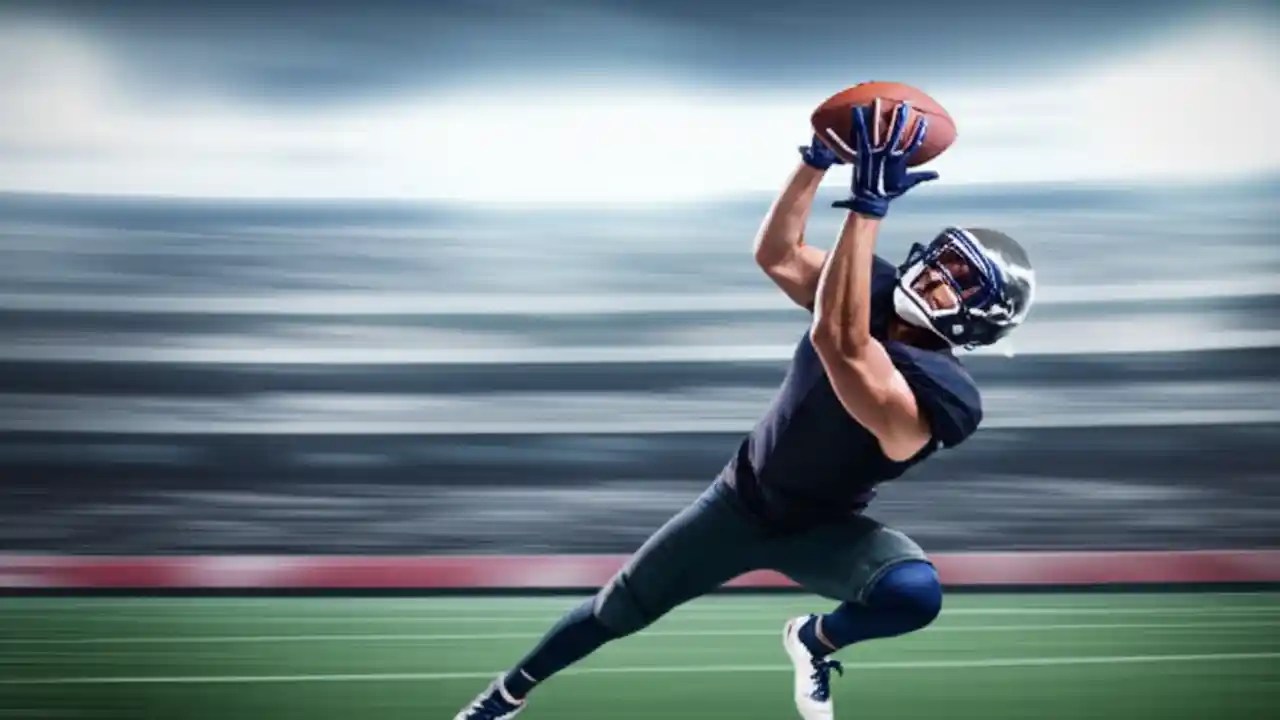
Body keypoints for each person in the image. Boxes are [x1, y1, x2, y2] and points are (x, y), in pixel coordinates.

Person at [453, 100, 1036, 720]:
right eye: (945, 260)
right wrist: (816, 160)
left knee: (914, 592)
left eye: (959, 281)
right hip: (737, 502)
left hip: (821, 528)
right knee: (614, 611)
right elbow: (778, 255)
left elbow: (840, 342)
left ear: (979, 321)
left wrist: (867, 207)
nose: (937, 276)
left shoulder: (939, 396)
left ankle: (815, 640)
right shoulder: (870, 287)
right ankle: (505, 695)